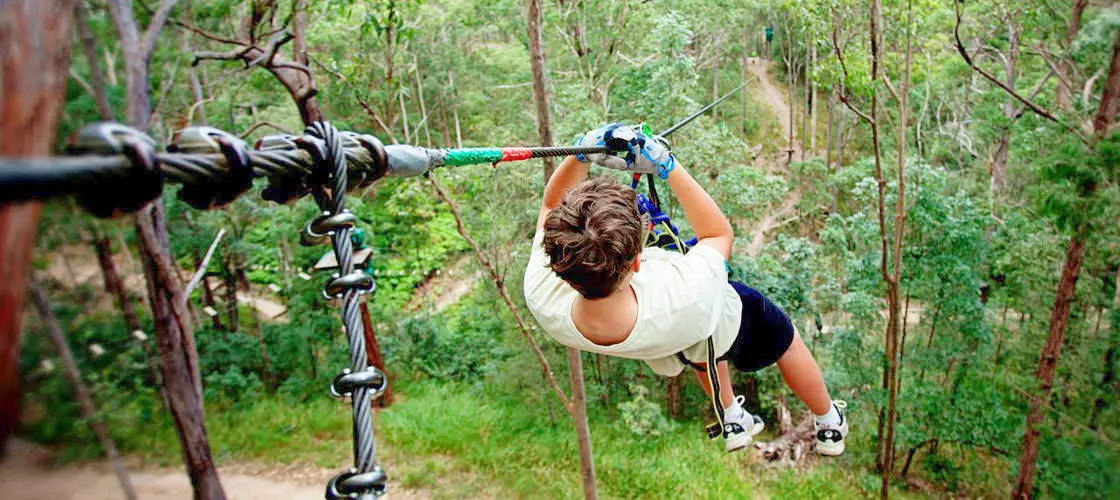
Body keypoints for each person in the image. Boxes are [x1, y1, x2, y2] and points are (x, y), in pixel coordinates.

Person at [522, 124, 848, 454]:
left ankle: (732, 415)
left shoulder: (543, 294)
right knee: (785, 337)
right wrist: (666, 164)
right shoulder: (685, 292)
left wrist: (580, 153)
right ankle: (829, 421)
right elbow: (718, 235)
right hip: (716, 322)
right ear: (637, 261)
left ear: (558, 261)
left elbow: (551, 204)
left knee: (698, 348)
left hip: (668, 344)